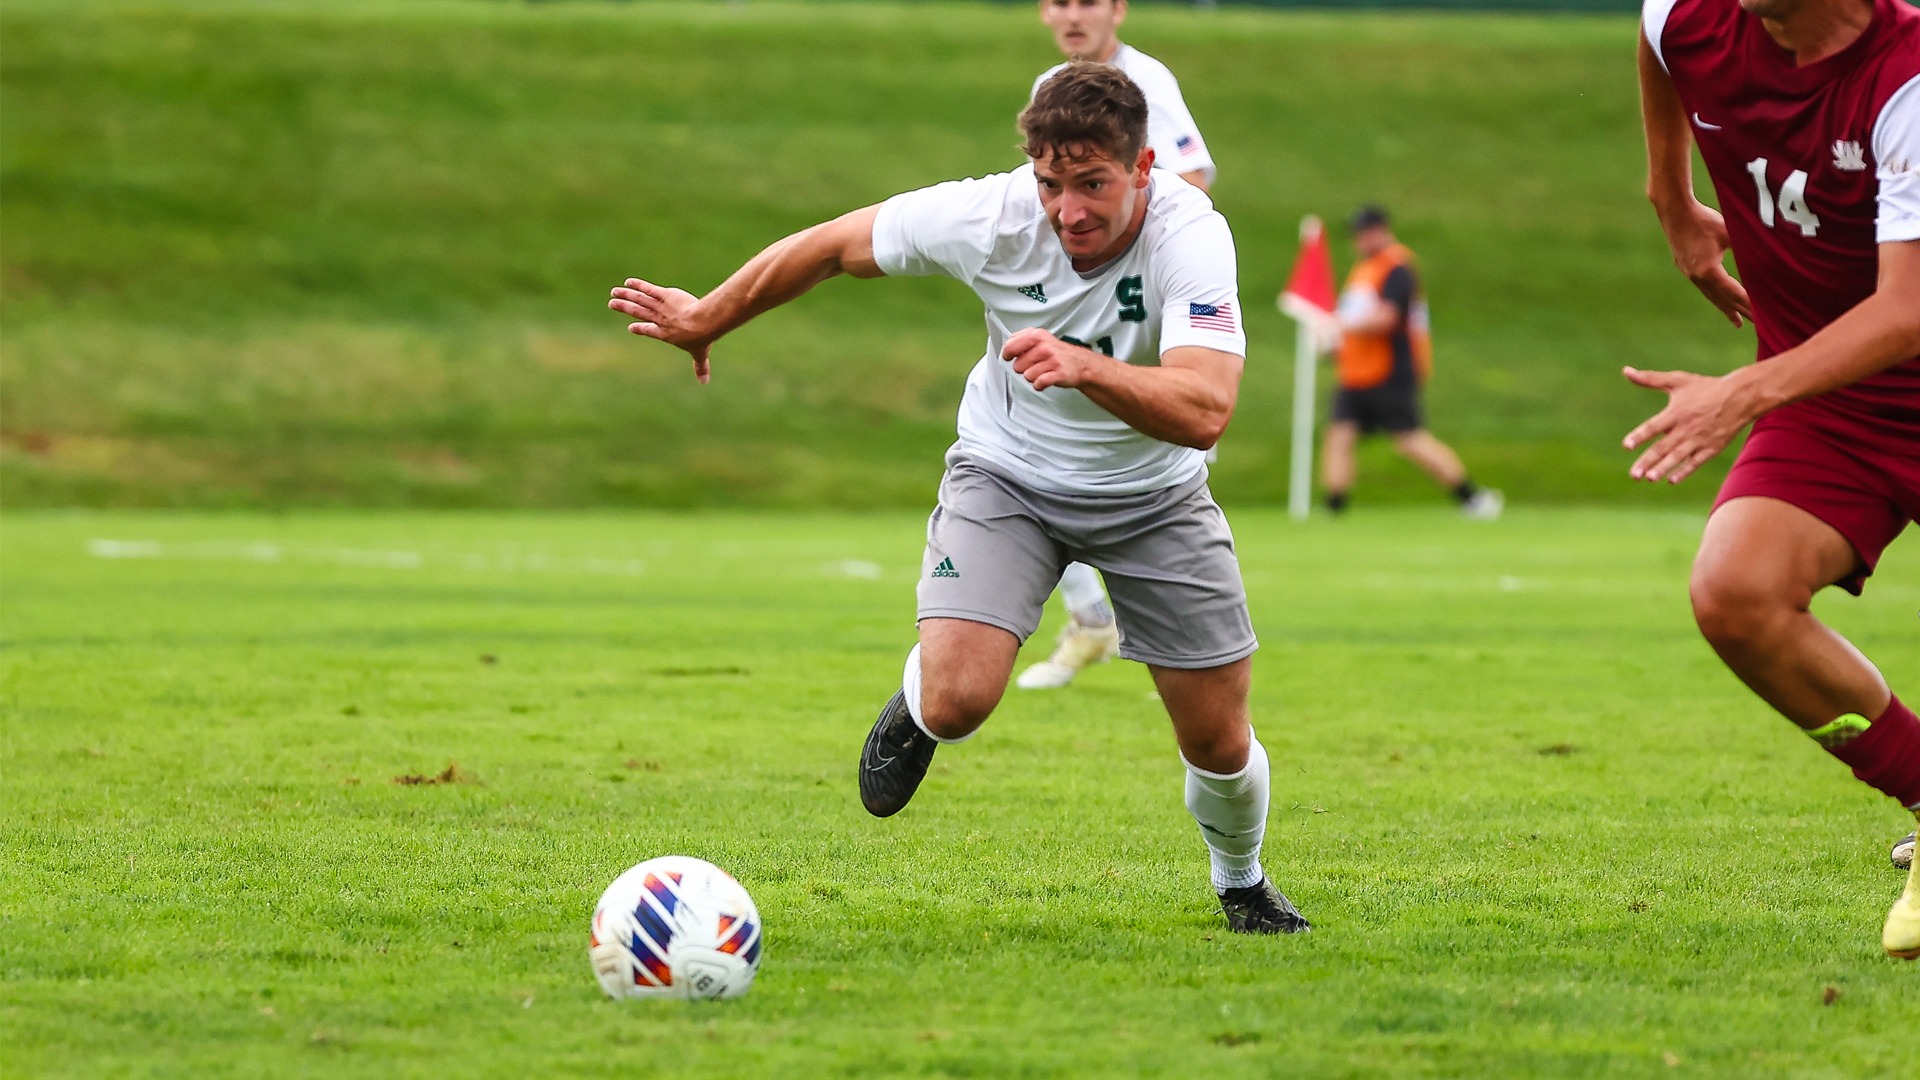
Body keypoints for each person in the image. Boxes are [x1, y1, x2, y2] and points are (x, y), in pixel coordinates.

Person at [608, 64, 1310, 934]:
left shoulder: (1192, 235)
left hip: (1154, 497)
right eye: (1053, 185)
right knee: (956, 702)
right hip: (1007, 474)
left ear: (1142, 170)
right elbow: (833, 244)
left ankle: (1240, 881)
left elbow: (1206, 411)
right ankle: (915, 703)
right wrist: (710, 315)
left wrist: (1086, 366)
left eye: (1093, 185)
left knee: (1216, 741)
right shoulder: (991, 214)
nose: (1069, 211)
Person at [1631, 0, 1920, 958]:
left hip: (1859, 359)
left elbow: (1906, 313)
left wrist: (1740, 393)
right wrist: (1672, 201)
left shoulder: (1905, 76)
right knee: (1735, 592)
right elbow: (1653, 34)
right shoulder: (1698, 18)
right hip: (1836, 399)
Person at [1016, 0, 1221, 690]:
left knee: (1141, 480)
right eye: (1061, 2)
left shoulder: (1146, 84)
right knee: (1029, 449)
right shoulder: (1052, 85)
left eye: (1088, 2)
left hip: (1138, 325)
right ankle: (1092, 619)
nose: (1073, 16)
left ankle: (1169, 641)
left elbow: (1193, 184)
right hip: (1075, 311)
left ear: (1117, 9)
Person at [1319, 205, 1503, 519]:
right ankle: (1334, 509)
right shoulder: (1363, 270)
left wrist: (1342, 326)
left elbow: (1386, 318)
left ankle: (1470, 497)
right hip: (1355, 373)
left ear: (1380, 230)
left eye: (1365, 232)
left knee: (1410, 439)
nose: (1359, 240)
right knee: (1339, 435)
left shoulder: (1397, 268)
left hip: (1389, 370)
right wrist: (1336, 342)